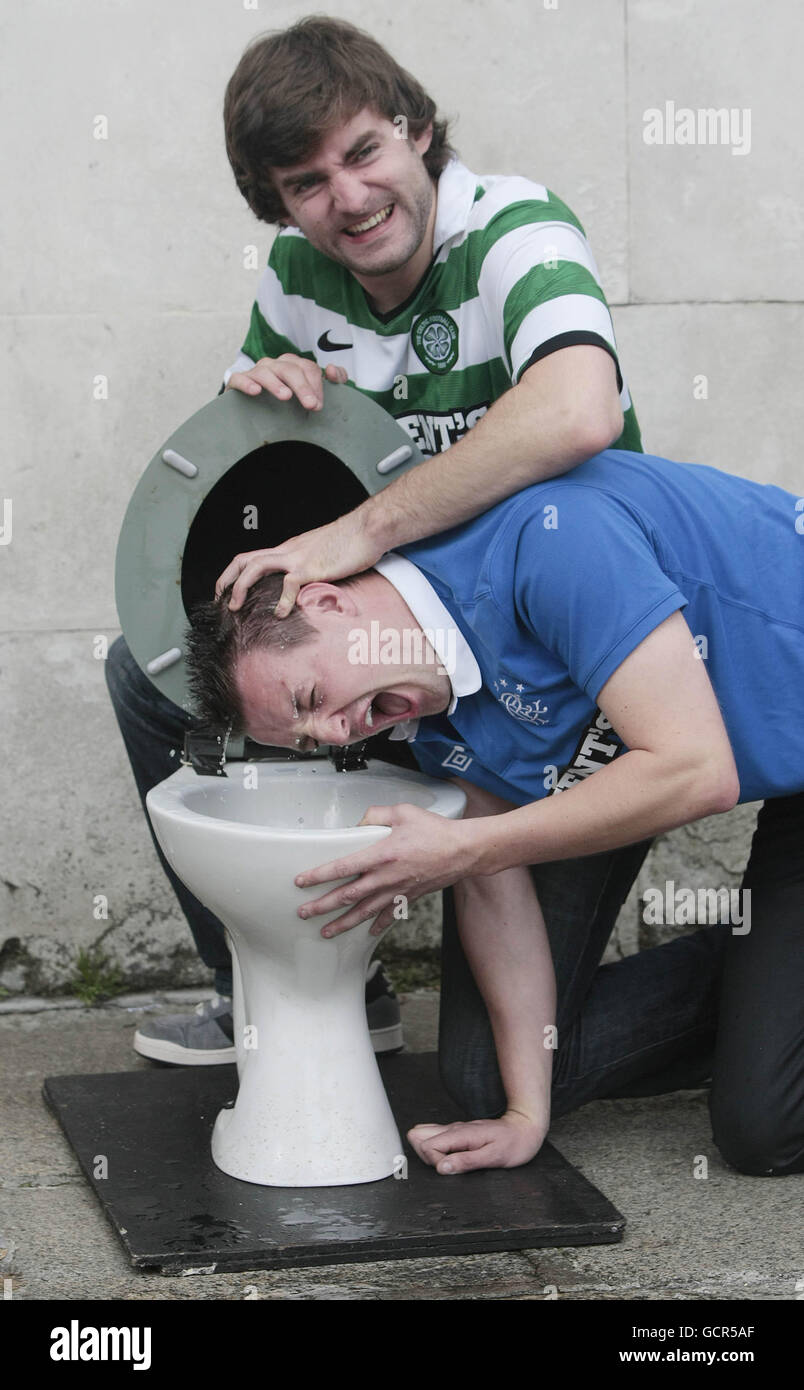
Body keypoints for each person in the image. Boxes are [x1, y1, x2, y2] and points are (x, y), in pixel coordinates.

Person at [106, 15, 646, 1062]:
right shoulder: (298, 277)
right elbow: (249, 481)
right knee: (153, 668)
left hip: (567, 684)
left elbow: (583, 408)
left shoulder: (514, 230)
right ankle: (277, 986)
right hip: (403, 669)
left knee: (492, 1074)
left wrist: (359, 525)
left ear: (418, 134)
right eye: (306, 183)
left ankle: (749, 994)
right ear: (279, 204)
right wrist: (267, 409)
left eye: (363, 152)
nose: (347, 198)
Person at [185, 446, 804, 1179]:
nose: (337, 734)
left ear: (326, 602)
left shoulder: (551, 543)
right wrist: (525, 1116)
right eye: (307, 739)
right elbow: (491, 883)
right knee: (488, 1079)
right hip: (785, 773)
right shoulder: (415, 708)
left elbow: (697, 772)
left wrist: (467, 846)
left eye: (311, 701)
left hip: (730, 761)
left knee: (762, 1130)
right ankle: (773, 973)